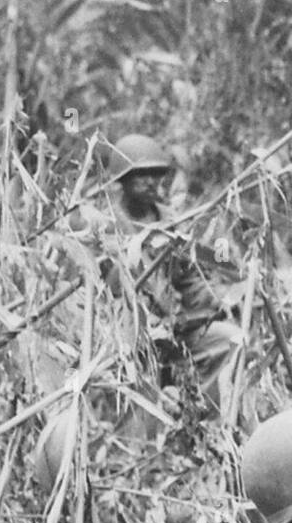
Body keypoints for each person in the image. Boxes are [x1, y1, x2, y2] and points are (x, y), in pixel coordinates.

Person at [78, 133, 243, 416]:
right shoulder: (104, 225)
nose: (151, 182)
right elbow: (96, 292)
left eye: (156, 174)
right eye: (141, 176)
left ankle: (197, 416)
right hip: (127, 336)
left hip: (174, 330)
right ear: (123, 179)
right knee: (138, 384)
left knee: (231, 340)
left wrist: (215, 305)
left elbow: (191, 276)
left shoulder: (171, 221)